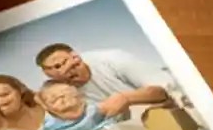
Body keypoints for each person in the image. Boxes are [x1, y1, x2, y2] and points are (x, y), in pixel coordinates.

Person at [35, 42, 173, 117]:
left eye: (61, 65)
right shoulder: (59, 91)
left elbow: (166, 89)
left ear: (75, 57)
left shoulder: (112, 59)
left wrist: (126, 98)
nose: (63, 73)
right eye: (54, 71)